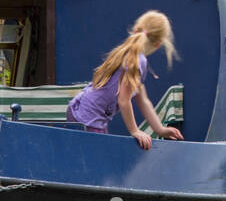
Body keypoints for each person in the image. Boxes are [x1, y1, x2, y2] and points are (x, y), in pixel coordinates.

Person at [66, 11, 185, 150]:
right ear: (158, 44)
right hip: (89, 119)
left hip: (78, 108)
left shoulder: (129, 53)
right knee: (96, 156)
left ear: (135, 30)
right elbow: (124, 99)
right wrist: (134, 131)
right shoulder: (137, 60)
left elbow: (142, 100)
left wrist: (160, 129)